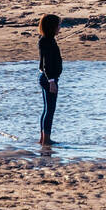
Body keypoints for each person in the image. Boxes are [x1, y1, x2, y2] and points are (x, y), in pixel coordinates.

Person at [37, 13, 62, 146]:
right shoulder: (47, 41)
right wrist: (51, 81)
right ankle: (46, 140)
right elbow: (46, 64)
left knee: (47, 109)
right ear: (52, 27)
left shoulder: (47, 40)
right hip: (49, 79)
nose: (60, 28)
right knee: (50, 110)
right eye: (58, 25)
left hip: (47, 78)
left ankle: (43, 139)